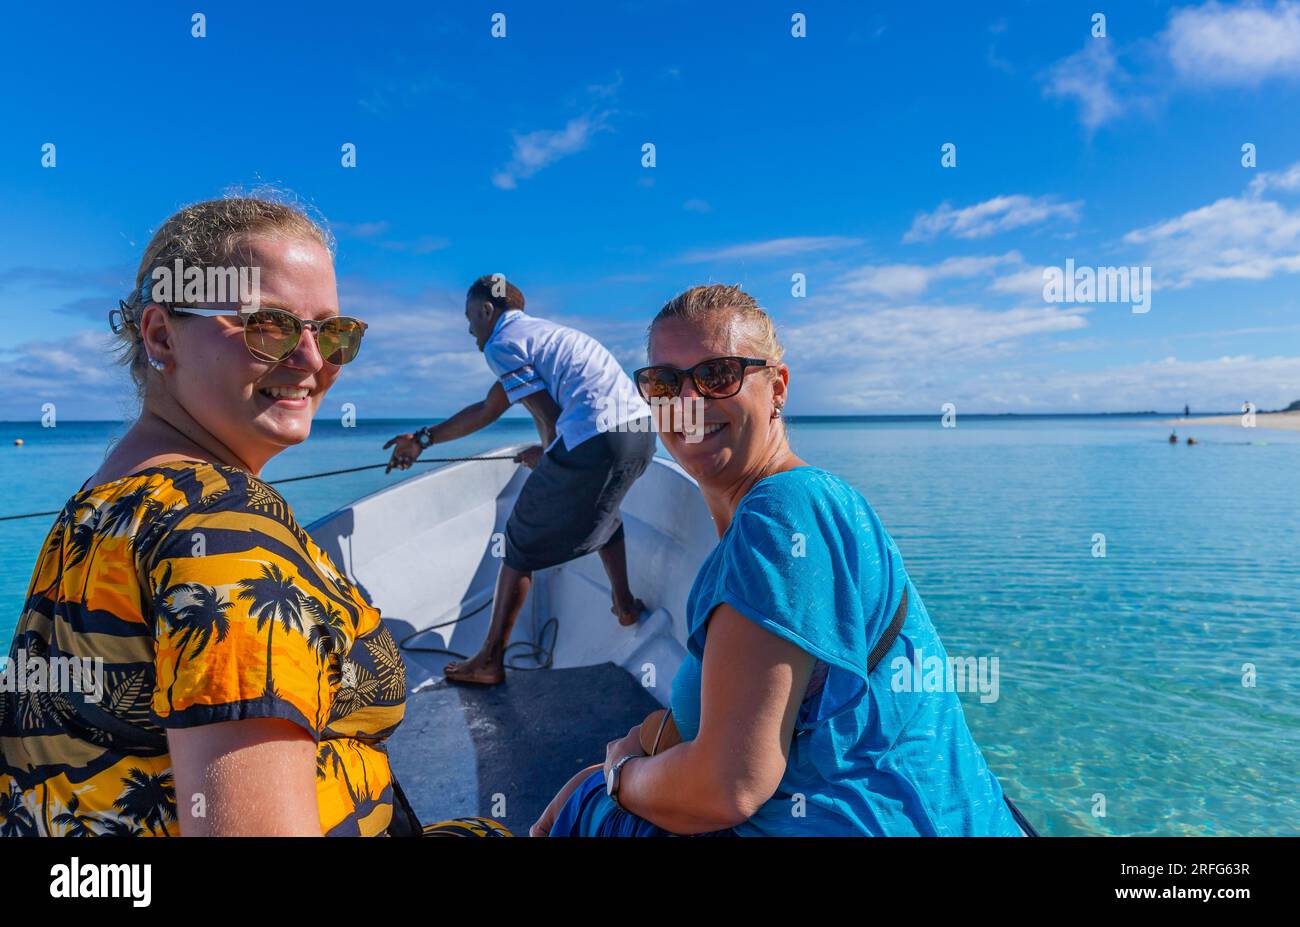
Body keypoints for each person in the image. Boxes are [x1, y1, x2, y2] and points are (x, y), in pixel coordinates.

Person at [0, 197, 502, 837]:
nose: (315, 362)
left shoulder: (103, 503)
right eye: (270, 326)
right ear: (160, 335)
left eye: (335, 332)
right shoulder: (230, 546)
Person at [532, 284, 1022, 836]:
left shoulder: (783, 513)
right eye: (665, 382)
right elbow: (729, 706)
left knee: (581, 815)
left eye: (718, 375)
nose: (689, 402)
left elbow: (729, 786)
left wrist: (618, 780)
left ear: (778, 388)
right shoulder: (790, 511)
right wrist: (619, 759)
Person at [384, 276, 656, 686]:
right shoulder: (541, 336)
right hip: (639, 434)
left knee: (519, 542)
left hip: (595, 437)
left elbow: (547, 414)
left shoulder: (501, 343)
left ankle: (489, 660)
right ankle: (625, 606)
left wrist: (549, 455)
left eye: (469, 318)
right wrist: (423, 440)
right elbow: (488, 409)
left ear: (485, 311)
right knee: (607, 514)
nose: (470, 330)